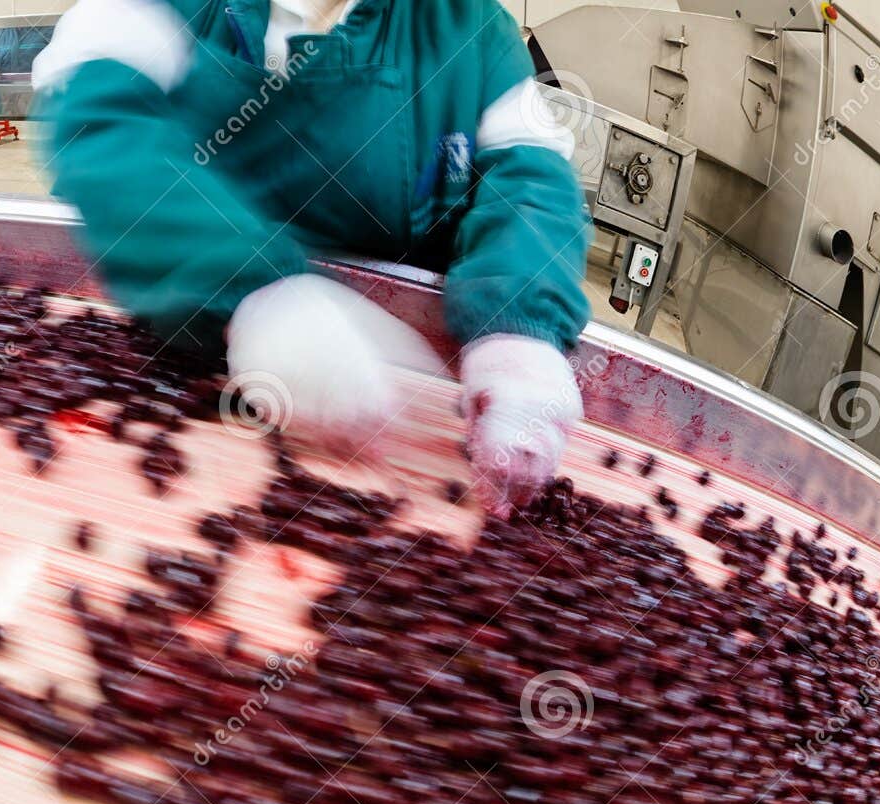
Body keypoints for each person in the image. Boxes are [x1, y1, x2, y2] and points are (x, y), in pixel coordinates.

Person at [34, 0, 593, 511]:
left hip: (397, 419)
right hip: (183, 364)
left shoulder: (469, 28)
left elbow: (533, 181)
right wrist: (254, 295)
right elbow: (98, 120)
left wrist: (520, 331)